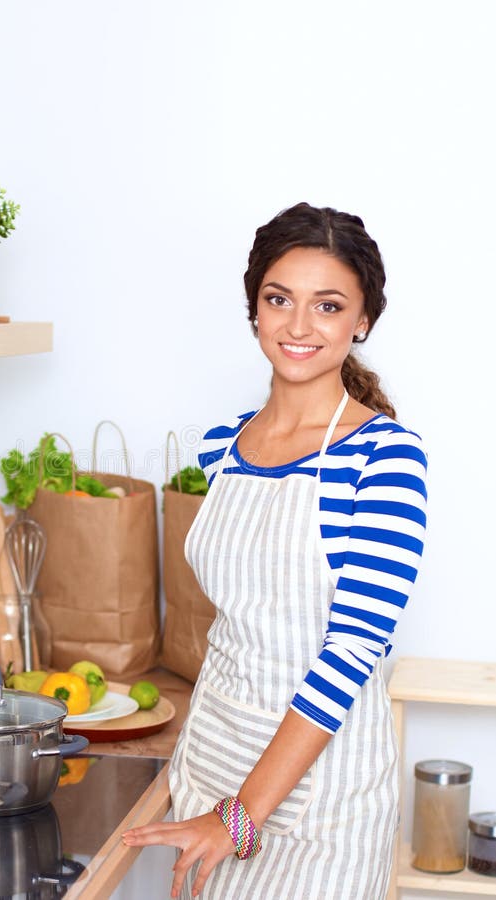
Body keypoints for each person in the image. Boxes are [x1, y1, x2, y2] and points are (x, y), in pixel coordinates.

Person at [122, 202, 428, 899]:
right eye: (278, 299)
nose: (298, 325)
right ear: (253, 309)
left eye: (327, 305)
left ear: (362, 322)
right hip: (208, 764)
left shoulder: (384, 457)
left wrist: (238, 817)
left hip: (320, 806)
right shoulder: (220, 447)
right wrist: (215, 803)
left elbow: (351, 651)